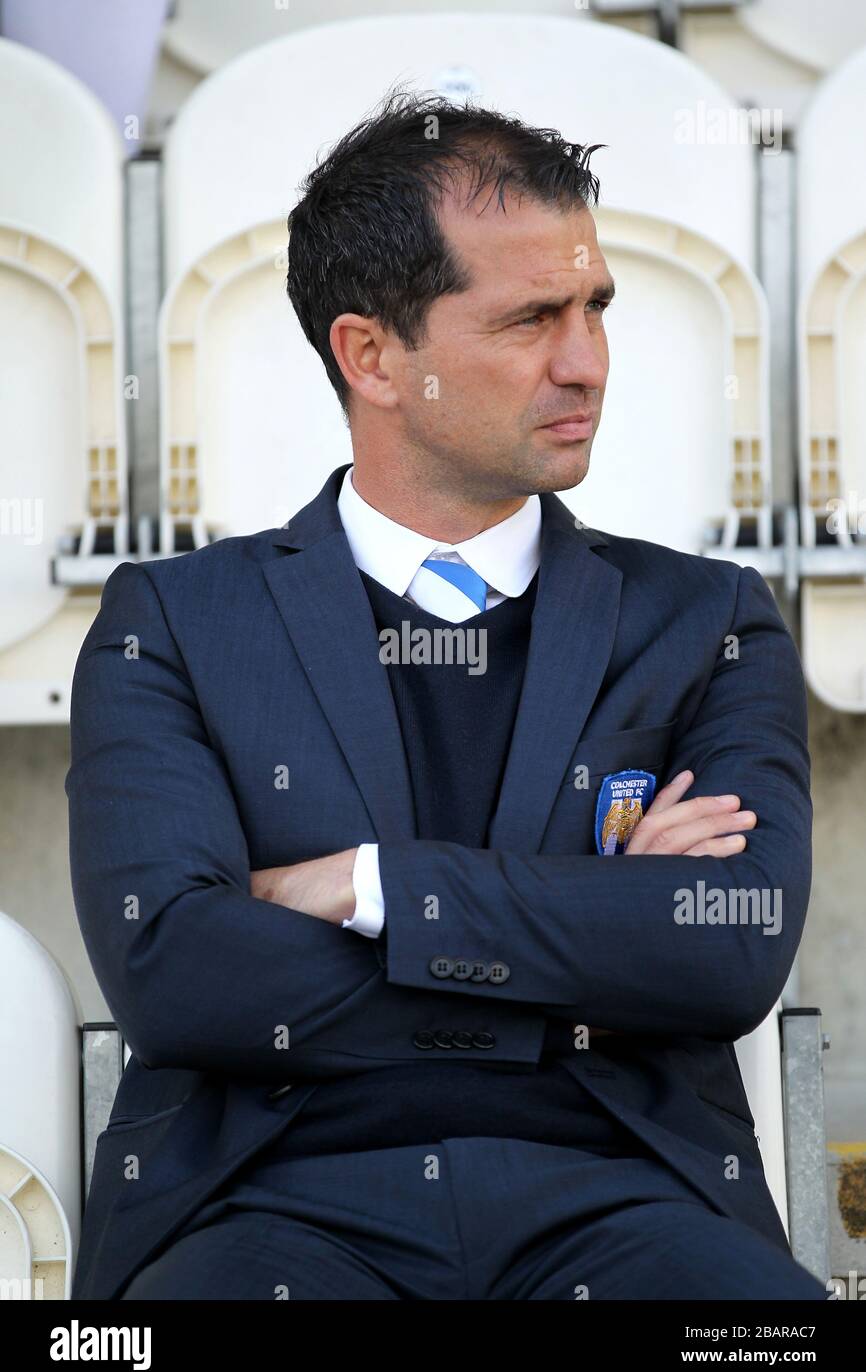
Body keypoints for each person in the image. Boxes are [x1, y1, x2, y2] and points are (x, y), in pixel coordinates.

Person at [67, 87, 826, 1300]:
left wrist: (379, 887)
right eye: (530, 318)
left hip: (624, 1202)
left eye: (595, 310)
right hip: (265, 1207)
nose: (584, 363)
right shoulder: (173, 621)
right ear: (371, 355)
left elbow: (726, 948)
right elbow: (177, 974)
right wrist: (590, 942)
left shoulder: (709, 618)